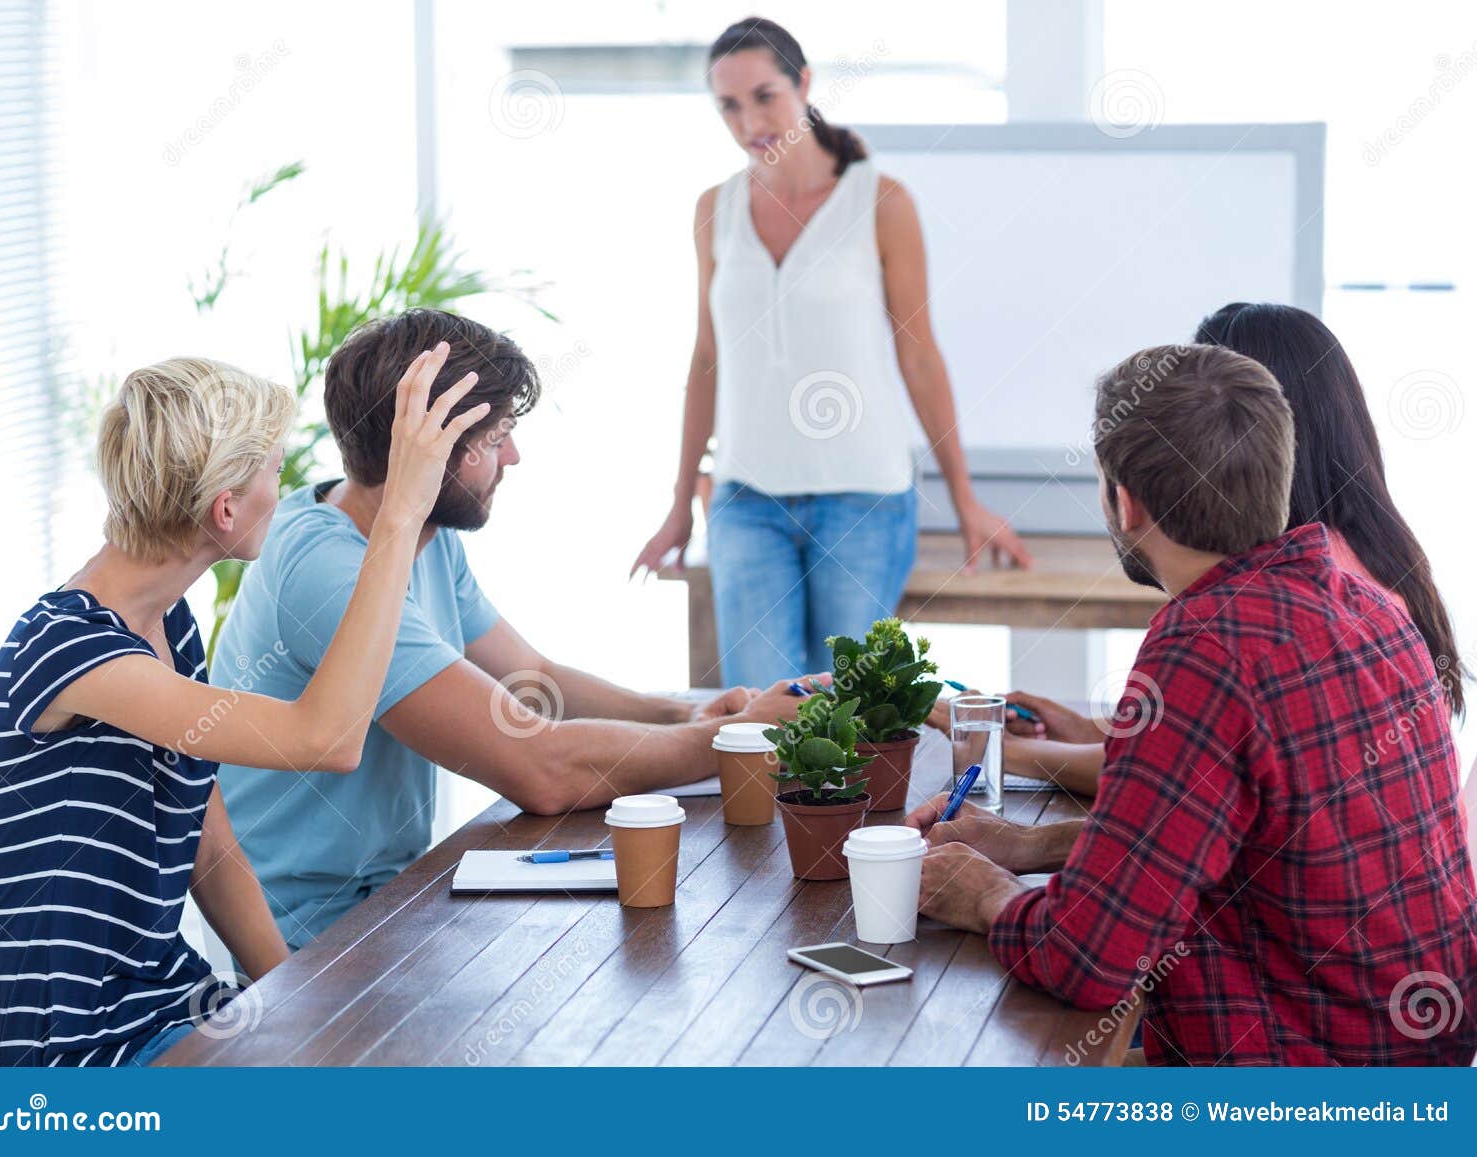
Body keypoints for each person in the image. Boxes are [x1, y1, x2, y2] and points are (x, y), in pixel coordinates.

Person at [907, 343, 1477, 1065]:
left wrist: (984, 893)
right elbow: (1239, 847)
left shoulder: (1202, 647)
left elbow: (1087, 959)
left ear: (1125, 501)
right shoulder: (1368, 606)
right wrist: (1029, 847)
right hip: (1422, 1065)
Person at [214, 309, 813, 949]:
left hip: (394, 899)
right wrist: (737, 738)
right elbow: (541, 769)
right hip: (306, 939)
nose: (515, 455)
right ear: (429, 444)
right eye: (497, 436)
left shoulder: (422, 537)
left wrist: (679, 716)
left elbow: (534, 679)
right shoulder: (325, 567)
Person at [0, 348, 486, 1065]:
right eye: (274, 469)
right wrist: (399, 512)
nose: (286, 488)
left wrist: (297, 998)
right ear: (226, 508)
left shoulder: (167, 629)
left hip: (186, 1012)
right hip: (100, 1059)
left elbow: (211, 849)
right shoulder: (70, 650)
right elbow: (328, 737)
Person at [629, 16, 1028, 689]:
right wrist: (677, 503)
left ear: (805, 84)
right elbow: (706, 360)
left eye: (764, 95)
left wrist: (966, 500)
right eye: (727, 104)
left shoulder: (881, 201)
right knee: (767, 716)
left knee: (847, 719)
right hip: (747, 499)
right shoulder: (714, 209)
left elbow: (920, 357)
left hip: (864, 500)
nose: (747, 119)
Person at [944, 302, 1467, 797]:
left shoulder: (1311, 592)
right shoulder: (1367, 552)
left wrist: (1002, 751)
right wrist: (1088, 732)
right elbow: (1228, 763)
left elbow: (1174, 790)